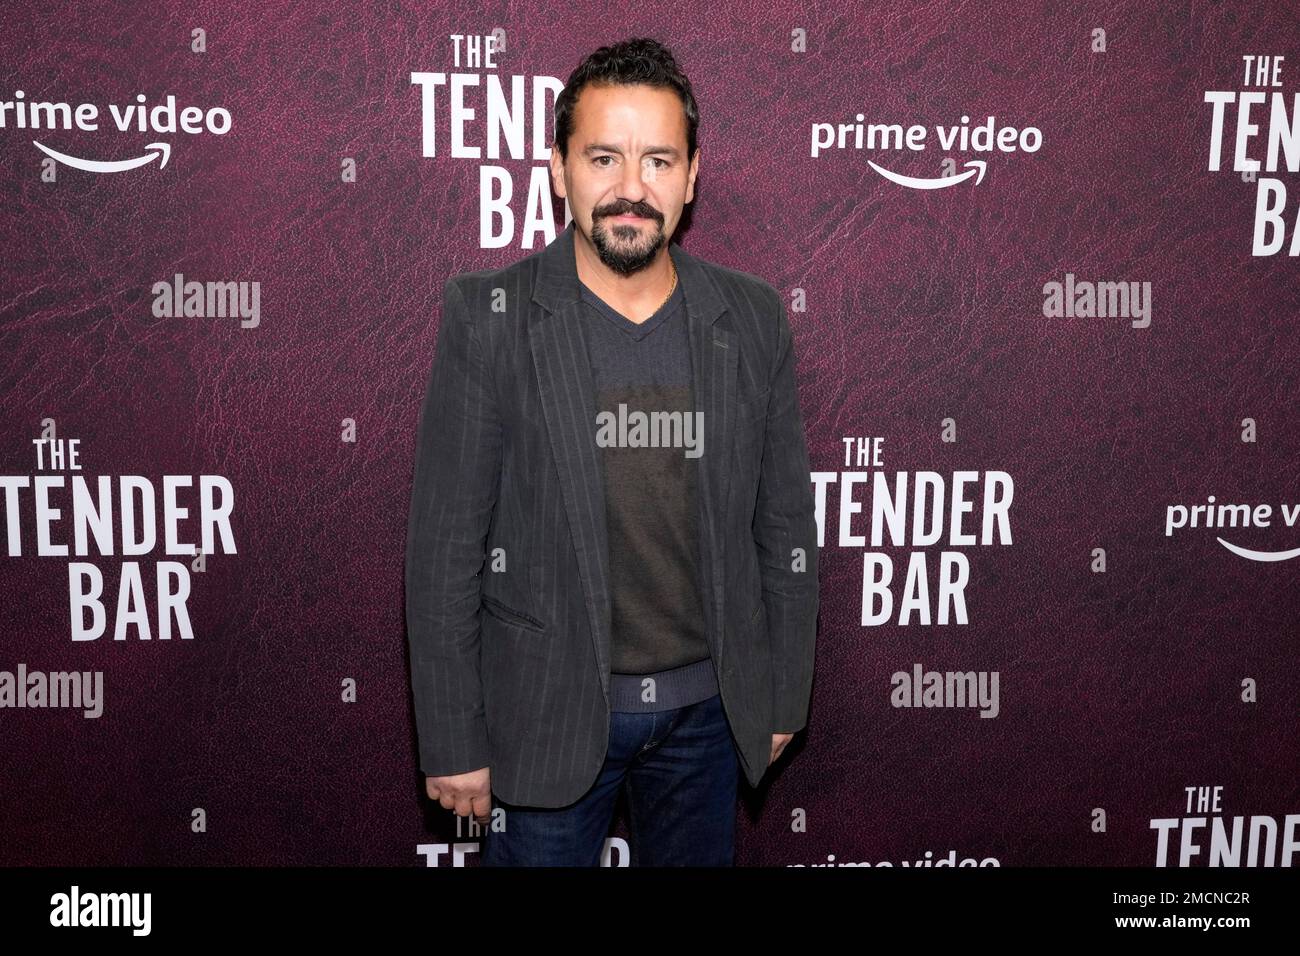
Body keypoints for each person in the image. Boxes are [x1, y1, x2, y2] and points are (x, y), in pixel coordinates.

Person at [404, 37, 819, 866]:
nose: (632, 188)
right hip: (542, 714)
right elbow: (446, 544)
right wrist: (452, 734)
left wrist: (783, 693)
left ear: (693, 175)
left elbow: (786, 529)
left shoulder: (753, 316)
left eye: (659, 160)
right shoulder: (488, 316)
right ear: (558, 168)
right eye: (604, 157)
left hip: (709, 718)